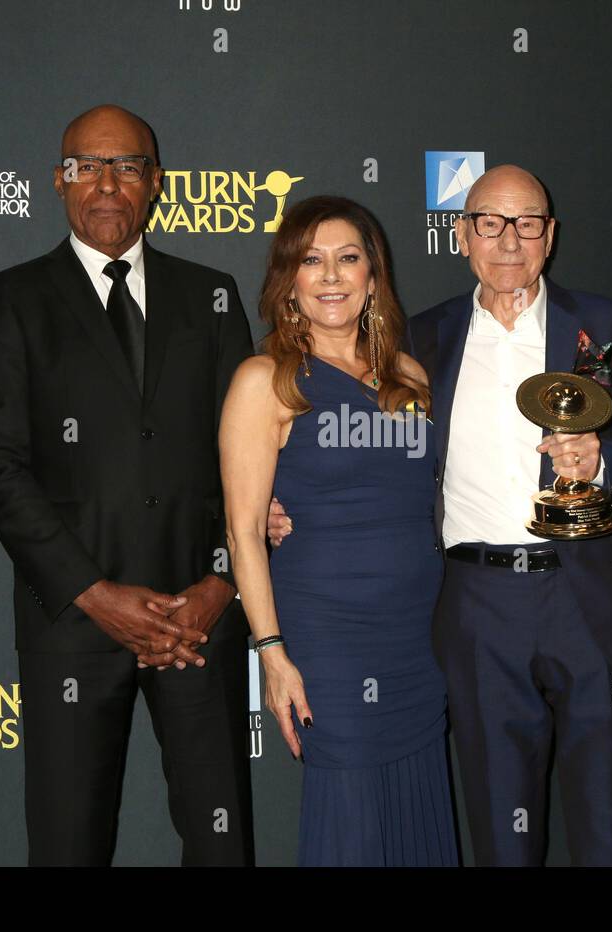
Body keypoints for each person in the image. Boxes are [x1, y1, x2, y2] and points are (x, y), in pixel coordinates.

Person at [274, 166, 612, 864]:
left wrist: (601, 464)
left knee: (608, 826)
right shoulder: (420, 343)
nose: (509, 241)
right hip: (476, 605)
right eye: (490, 222)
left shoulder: (603, 325)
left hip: (592, 602)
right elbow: (360, 453)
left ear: (550, 235)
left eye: (527, 223)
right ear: (462, 235)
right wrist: (286, 503)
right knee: (499, 829)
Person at [0, 104, 254, 866]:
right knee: (67, 844)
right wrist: (93, 592)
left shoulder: (214, 295)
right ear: (58, 181)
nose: (105, 184)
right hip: (73, 622)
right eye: (85, 166)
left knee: (222, 843)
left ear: (155, 182)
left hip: (201, 618)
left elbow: (252, 461)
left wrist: (221, 586)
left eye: (126, 165)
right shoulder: (12, 299)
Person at [221, 196, 456, 866]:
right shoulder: (266, 381)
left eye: (348, 258)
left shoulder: (409, 378)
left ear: (374, 277)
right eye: (311, 260)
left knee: (417, 815)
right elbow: (242, 532)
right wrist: (271, 653)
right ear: (287, 280)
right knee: (351, 823)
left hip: (417, 640)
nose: (330, 275)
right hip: (330, 642)